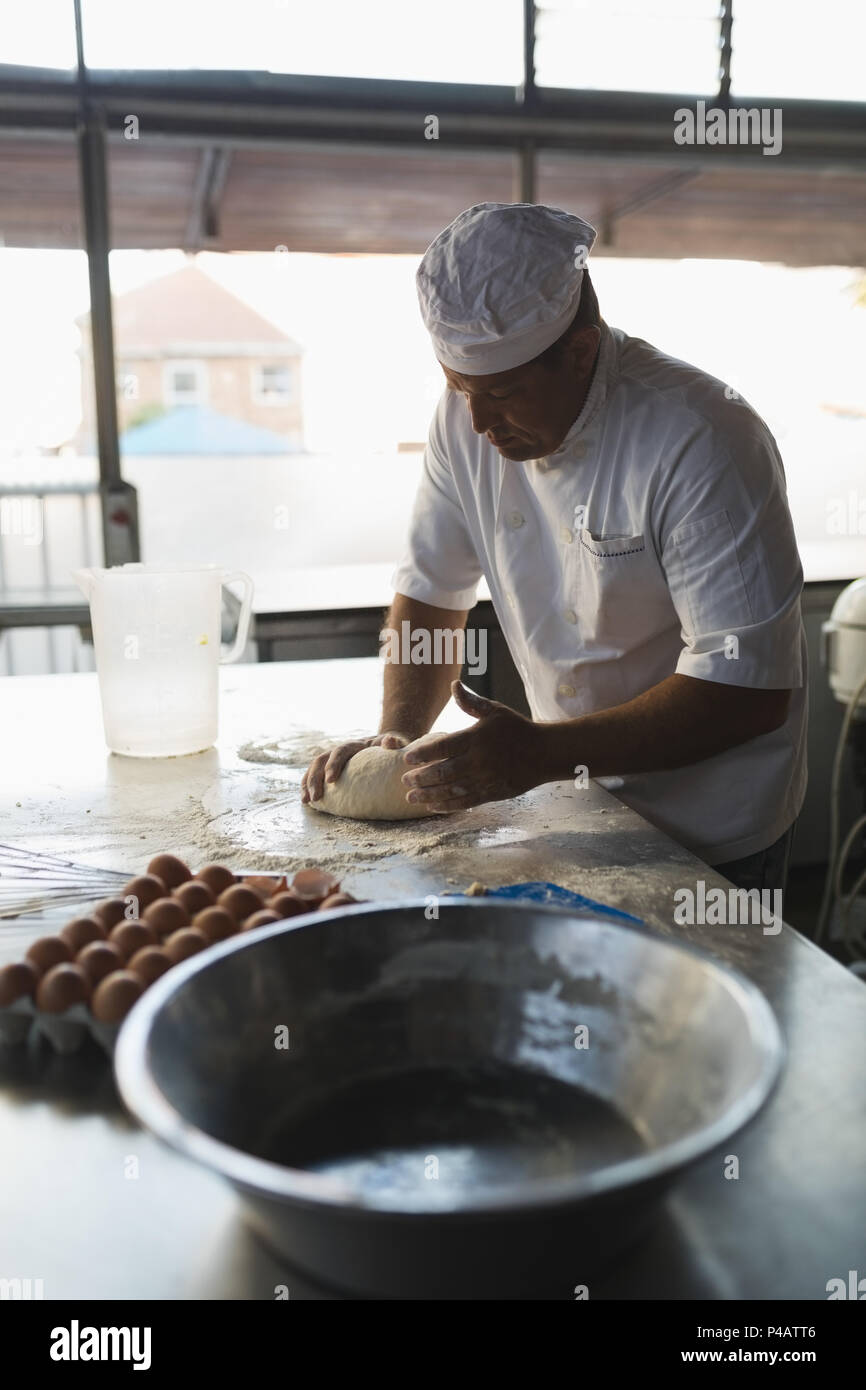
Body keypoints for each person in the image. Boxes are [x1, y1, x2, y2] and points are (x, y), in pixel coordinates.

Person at [302, 203, 806, 892]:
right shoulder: (465, 419)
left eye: (502, 394)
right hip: (573, 806)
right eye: (459, 389)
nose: (478, 423)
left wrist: (541, 753)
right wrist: (395, 737)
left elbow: (748, 690)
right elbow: (430, 591)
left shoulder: (703, 438)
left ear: (580, 352)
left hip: (712, 838)